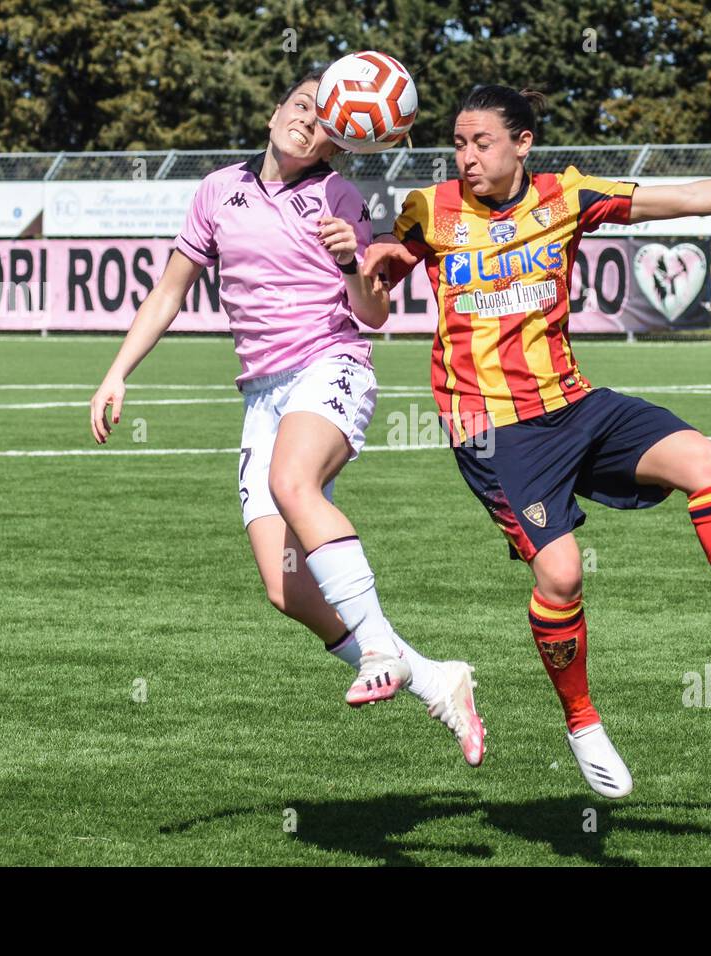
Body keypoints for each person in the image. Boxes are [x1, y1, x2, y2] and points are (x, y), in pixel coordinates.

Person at [363, 85, 711, 798]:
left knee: (704, 461)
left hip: (574, 402)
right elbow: (374, 305)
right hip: (493, 426)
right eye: (459, 144)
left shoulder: (567, 196)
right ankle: (582, 720)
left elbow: (690, 197)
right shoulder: (428, 212)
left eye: (482, 143)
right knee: (561, 576)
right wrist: (366, 267)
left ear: (523, 143)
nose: (466, 157)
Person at [88, 69, 484, 765]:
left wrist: (352, 265)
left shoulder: (339, 195)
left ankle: (381, 653)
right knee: (284, 587)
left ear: (338, 143)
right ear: (275, 113)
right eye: (301, 106)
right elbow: (169, 293)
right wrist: (117, 373)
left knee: (292, 482)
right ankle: (434, 678)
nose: (308, 120)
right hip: (261, 394)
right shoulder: (217, 190)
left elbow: (374, 314)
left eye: (325, 120)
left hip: (331, 367)